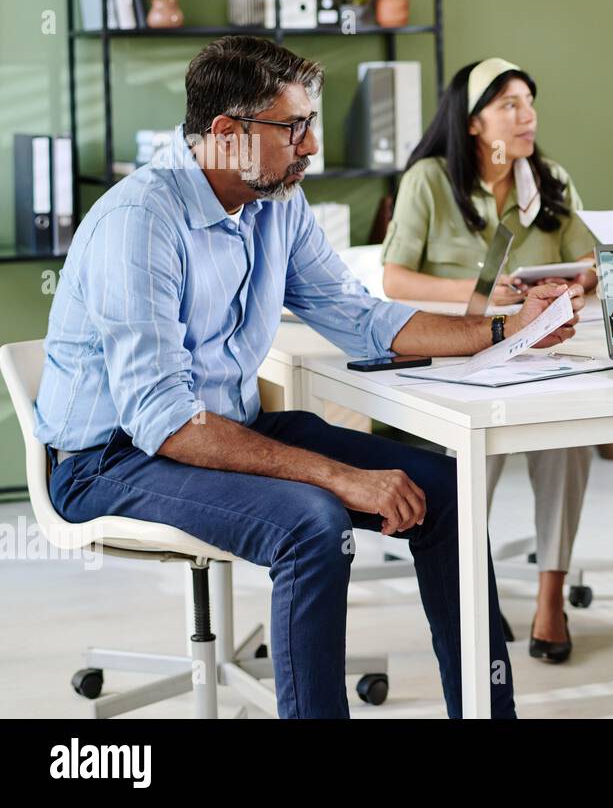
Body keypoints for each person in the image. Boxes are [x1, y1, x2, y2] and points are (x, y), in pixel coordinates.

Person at [35, 36, 583, 718]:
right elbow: (165, 421)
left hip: (224, 427)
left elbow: (361, 317)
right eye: (294, 128)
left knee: (445, 493)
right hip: (112, 456)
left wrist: (509, 328)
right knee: (313, 526)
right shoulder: (141, 222)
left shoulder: (275, 202)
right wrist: (337, 475)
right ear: (229, 135)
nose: (312, 146)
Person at [380, 58, 596, 663]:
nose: (527, 116)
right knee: (469, 461)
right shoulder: (429, 180)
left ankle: (551, 600)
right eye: (510, 105)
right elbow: (394, 277)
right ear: (474, 123)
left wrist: (571, 285)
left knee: (567, 445)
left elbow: (593, 264)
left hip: (542, 354)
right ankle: (475, 589)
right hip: (459, 356)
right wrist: (479, 296)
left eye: (530, 102)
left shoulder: (549, 180)